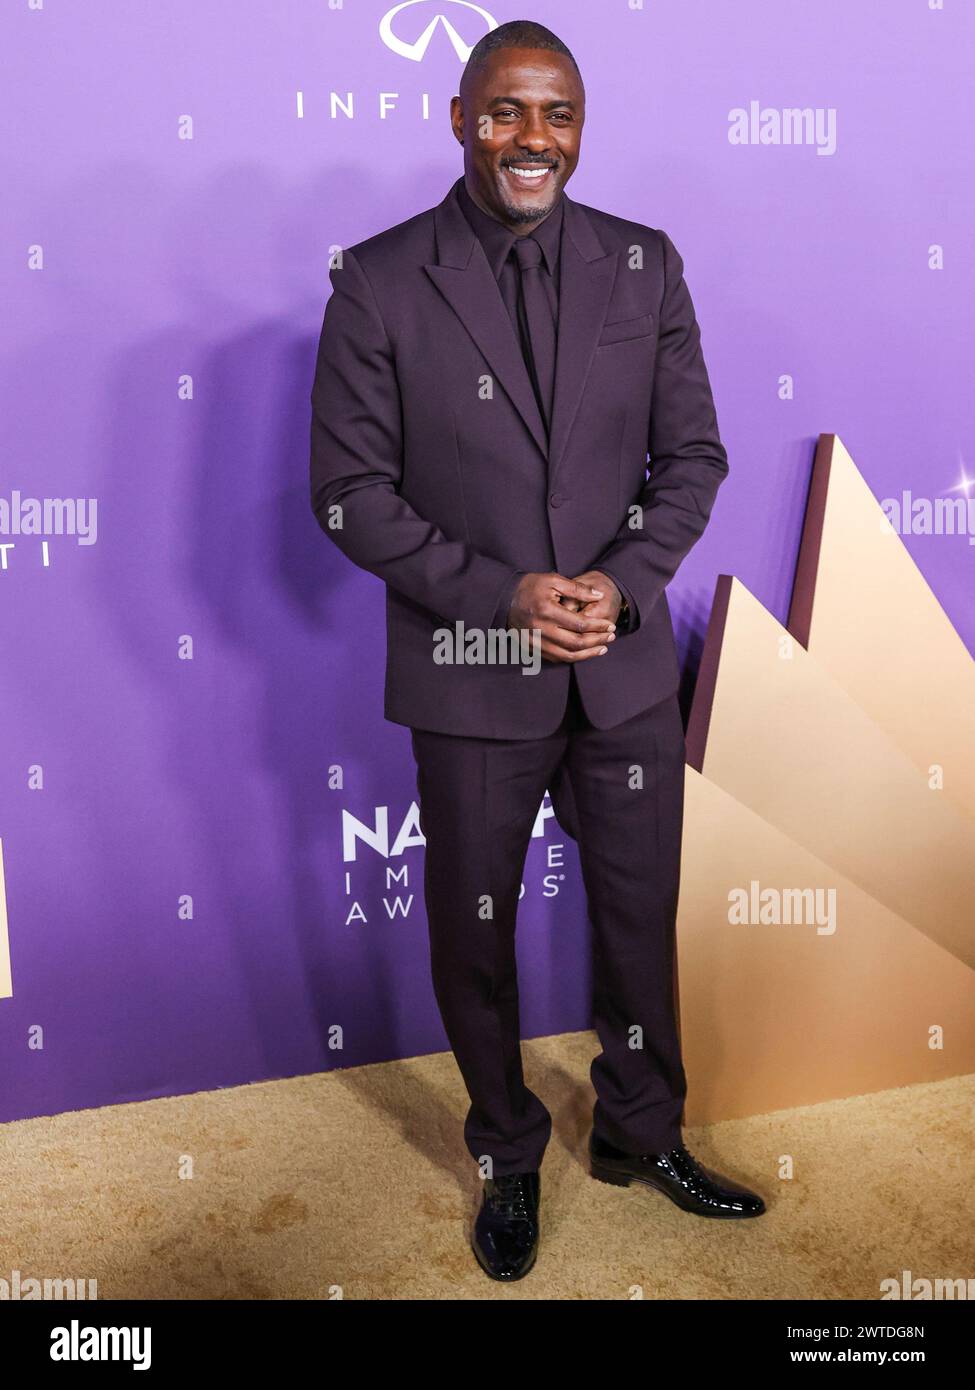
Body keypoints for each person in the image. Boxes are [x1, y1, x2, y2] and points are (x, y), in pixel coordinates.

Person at [310, 19, 765, 1282]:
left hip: (616, 665)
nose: (532, 137)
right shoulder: (380, 280)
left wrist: (615, 593)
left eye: (555, 113)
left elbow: (696, 458)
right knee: (475, 932)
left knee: (637, 915)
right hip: (470, 664)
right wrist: (505, 596)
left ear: (579, 128)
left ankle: (640, 1129)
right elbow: (347, 491)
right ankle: (509, 1152)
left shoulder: (644, 263)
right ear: (460, 119)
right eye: (505, 111)